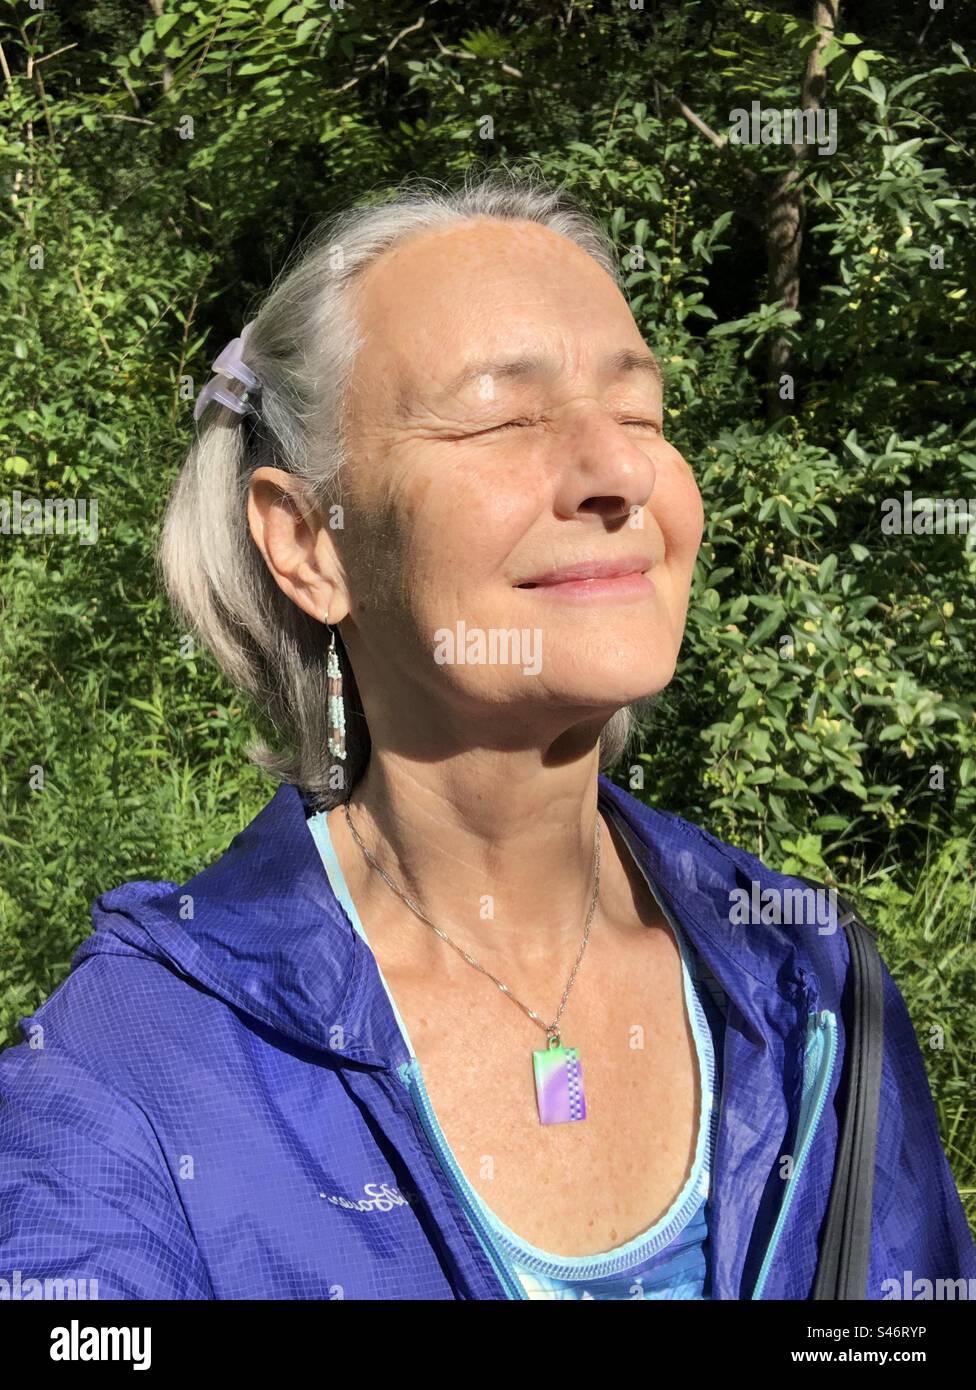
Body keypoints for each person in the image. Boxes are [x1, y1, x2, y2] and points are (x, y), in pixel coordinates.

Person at [1, 169, 972, 1301]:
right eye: (505, 415)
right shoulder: (129, 1074)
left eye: (642, 414)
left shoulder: (806, 976)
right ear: (310, 541)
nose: (620, 472)